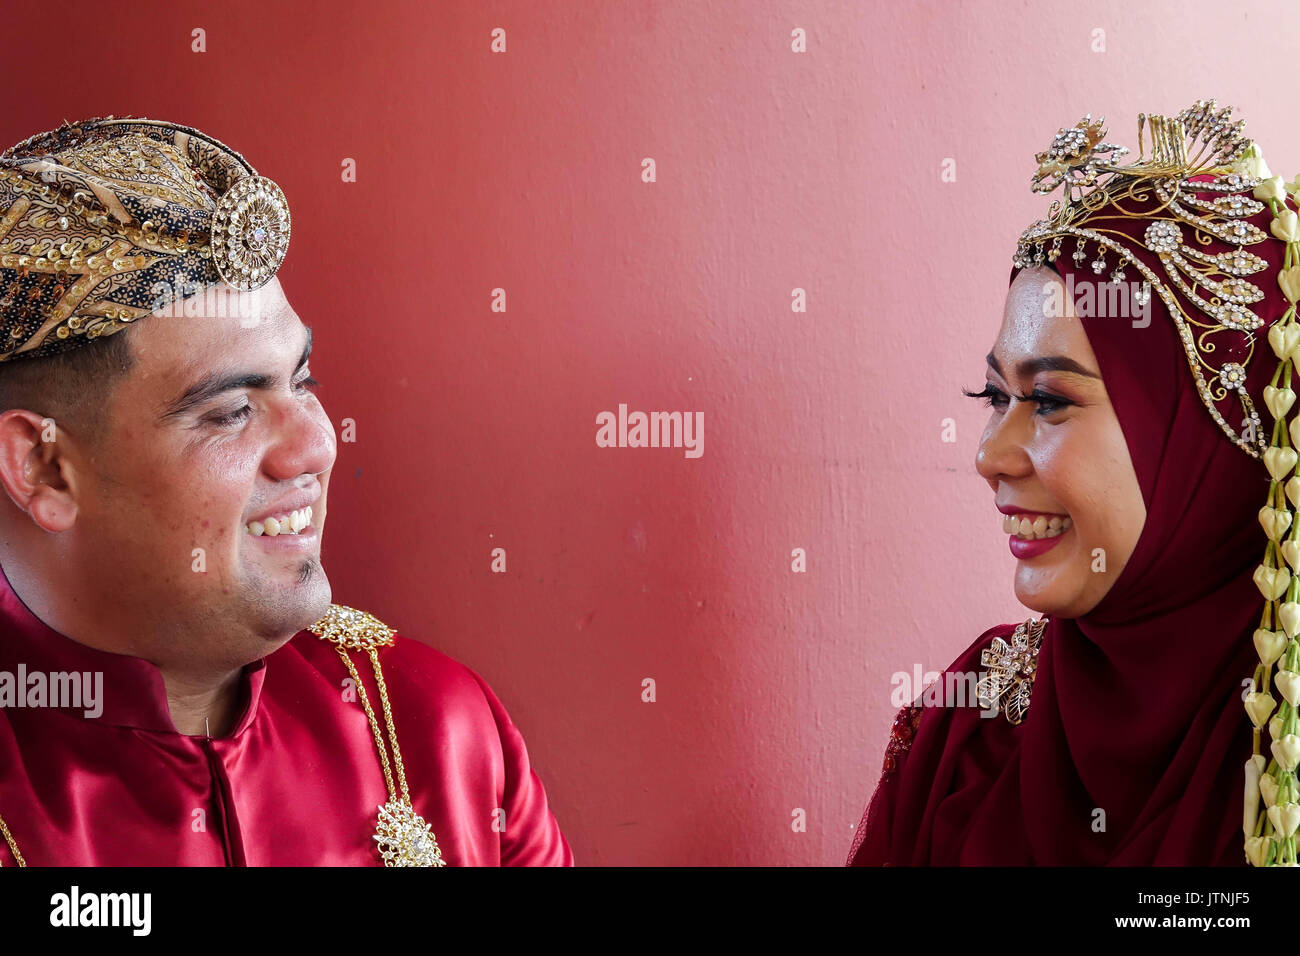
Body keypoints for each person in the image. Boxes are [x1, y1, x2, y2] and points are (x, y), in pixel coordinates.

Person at [0, 116, 572, 866]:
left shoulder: (435, 728)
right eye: (231, 411)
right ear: (44, 469)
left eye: (302, 382)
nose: (318, 444)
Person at [849, 99, 1300, 866]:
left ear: (1209, 447)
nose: (992, 454)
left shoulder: (1277, 769)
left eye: (1050, 400)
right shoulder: (970, 733)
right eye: (995, 396)